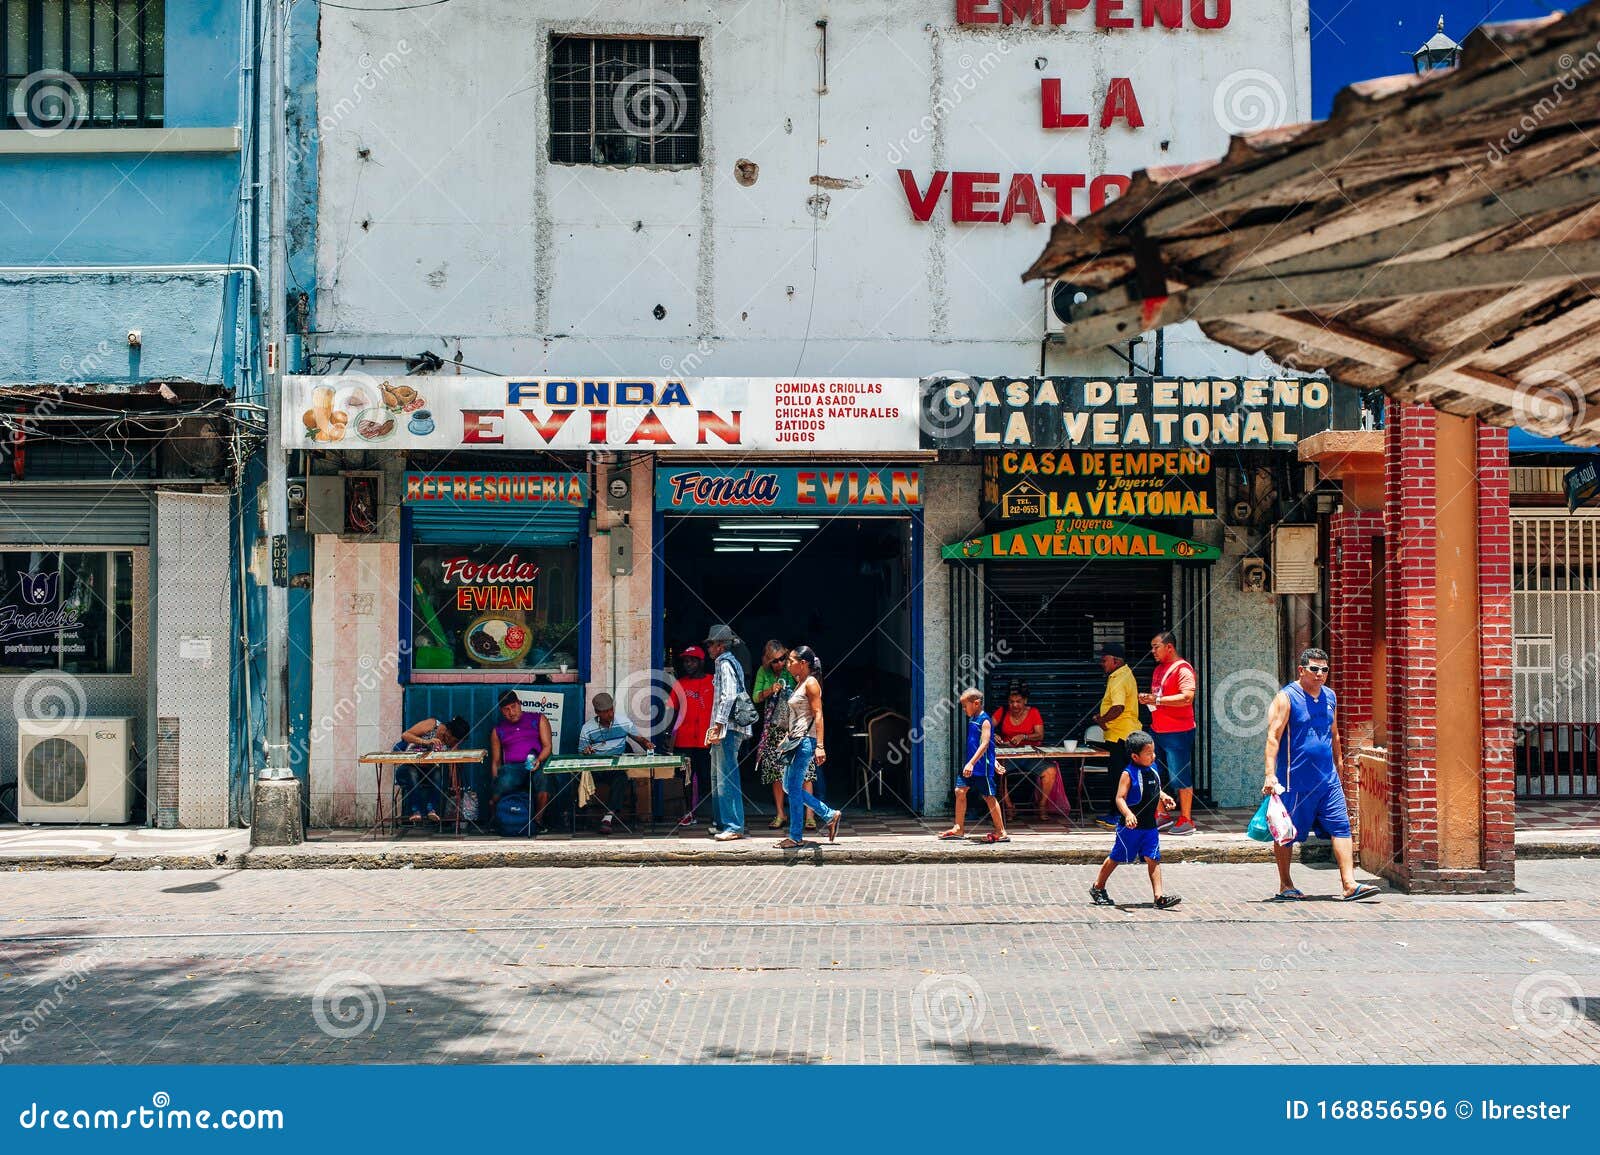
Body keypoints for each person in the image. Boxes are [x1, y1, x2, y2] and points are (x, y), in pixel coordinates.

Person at [1262, 648, 1380, 902]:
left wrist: (1340, 768)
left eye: (1325, 669)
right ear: (1301, 670)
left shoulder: (1330, 696)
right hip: (1294, 781)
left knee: (1341, 826)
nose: (1320, 674)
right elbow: (1273, 736)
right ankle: (1286, 884)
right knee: (1287, 832)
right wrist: (1270, 775)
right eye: (1315, 669)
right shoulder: (1286, 698)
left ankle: (1349, 884)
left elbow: (1334, 734)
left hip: (1328, 781)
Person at [1089, 730, 1182, 909]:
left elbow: (1154, 789)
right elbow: (1120, 798)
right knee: (1116, 857)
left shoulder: (1153, 770)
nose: (1153, 756)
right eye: (1148, 753)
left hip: (1149, 827)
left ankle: (1159, 897)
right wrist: (1128, 814)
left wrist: (1164, 796)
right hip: (1130, 828)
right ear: (1135, 756)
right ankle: (1098, 887)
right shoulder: (1128, 773)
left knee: (1153, 858)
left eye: (1153, 752)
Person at [774, 645, 843, 849]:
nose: (787, 664)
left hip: (805, 742)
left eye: (791, 661)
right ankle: (830, 815)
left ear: (803, 664)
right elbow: (799, 716)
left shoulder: (811, 683)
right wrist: (787, 737)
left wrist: (820, 745)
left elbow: (818, 715)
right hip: (795, 740)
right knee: (789, 786)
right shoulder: (800, 682)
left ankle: (796, 836)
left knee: (794, 788)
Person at [1139, 630, 1198, 835]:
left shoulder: (1183, 670)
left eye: (1156, 647)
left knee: (1179, 775)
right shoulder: (1158, 670)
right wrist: (1149, 699)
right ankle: (1162, 815)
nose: (1152, 651)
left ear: (1169, 647)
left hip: (1178, 731)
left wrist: (1156, 700)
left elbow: (1187, 697)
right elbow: (1160, 697)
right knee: (1152, 771)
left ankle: (1187, 819)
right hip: (1157, 729)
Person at [753, 639, 812, 831]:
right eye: (774, 662)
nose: (779, 664)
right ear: (767, 662)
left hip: (796, 727)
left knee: (805, 771)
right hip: (774, 728)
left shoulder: (792, 668)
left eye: (782, 659)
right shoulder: (764, 673)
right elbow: (755, 697)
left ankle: (809, 815)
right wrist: (771, 690)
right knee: (775, 773)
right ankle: (780, 814)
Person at [578, 691, 654, 835]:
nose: (610, 714)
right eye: (605, 712)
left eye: (611, 710)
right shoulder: (587, 728)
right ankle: (581, 818)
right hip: (596, 768)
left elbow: (640, 740)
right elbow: (581, 751)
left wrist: (647, 743)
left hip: (614, 769)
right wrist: (586, 751)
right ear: (597, 712)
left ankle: (608, 818)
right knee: (579, 779)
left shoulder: (624, 722)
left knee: (621, 778)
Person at [939, 688, 1008, 843]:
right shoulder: (973, 719)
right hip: (971, 766)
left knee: (989, 797)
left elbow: (985, 744)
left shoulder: (985, 721)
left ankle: (1001, 831)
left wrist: (979, 763)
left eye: (965, 706)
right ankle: (959, 828)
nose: (964, 709)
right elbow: (987, 745)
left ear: (976, 703)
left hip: (981, 767)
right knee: (960, 790)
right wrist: (994, 761)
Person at [704, 622, 751, 841]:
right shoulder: (727, 662)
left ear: (720, 646)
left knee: (727, 776)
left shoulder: (725, 663)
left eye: (711, 644)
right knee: (717, 776)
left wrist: (718, 726)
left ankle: (733, 826)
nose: (709, 648)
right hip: (724, 728)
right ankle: (723, 822)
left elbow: (729, 697)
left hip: (728, 729)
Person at [990, 681, 1061, 821]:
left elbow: (1040, 735)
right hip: (1009, 756)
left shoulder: (1033, 712)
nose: (1014, 705)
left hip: (1031, 756)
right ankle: (1009, 807)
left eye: (1018, 701)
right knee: (996, 771)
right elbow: (985, 727)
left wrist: (1024, 736)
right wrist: (992, 734)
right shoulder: (1002, 711)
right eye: (1011, 702)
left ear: (1025, 701)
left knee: (1050, 771)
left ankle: (1042, 805)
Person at [1092, 643, 1142, 828]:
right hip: (1121, 734)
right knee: (1122, 776)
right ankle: (1118, 814)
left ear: (1115, 660)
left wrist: (1102, 720)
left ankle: (1117, 816)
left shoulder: (1119, 677)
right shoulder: (1123, 674)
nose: (1101, 663)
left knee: (1118, 777)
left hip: (1121, 736)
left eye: (1104, 660)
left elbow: (1118, 707)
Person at [490, 690, 554, 832]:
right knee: (503, 782)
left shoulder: (538, 719)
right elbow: (496, 761)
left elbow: (548, 746)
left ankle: (537, 820)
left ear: (520, 704)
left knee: (543, 778)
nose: (511, 712)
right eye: (506, 710)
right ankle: (497, 819)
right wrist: (495, 779)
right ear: (501, 711)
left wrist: (539, 760)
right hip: (512, 768)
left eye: (513, 707)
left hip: (535, 763)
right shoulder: (498, 730)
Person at [668, 645, 714, 828]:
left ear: (701, 662)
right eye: (686, 661)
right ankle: (688, 813)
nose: (688, 664)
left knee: (708, 778)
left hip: (708, 739)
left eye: (692, 660)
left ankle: (714, 815)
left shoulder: (713, 681)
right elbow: (671, 710)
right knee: (685, 777)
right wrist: (668, 735)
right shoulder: (680, 683)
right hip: (684, 740)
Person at [392, 715, 468, 824]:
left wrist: (454, 786)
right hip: (406, 770)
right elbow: (405, 735)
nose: (454, 744)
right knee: (412, 772)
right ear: (449, 733)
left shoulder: (449, 745)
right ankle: (415, 810)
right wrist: (426, 742)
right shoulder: (432, 725)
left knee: (437, 773)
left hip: (425, 774)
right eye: (455, 740)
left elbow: (452, 765)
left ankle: (431, 809)